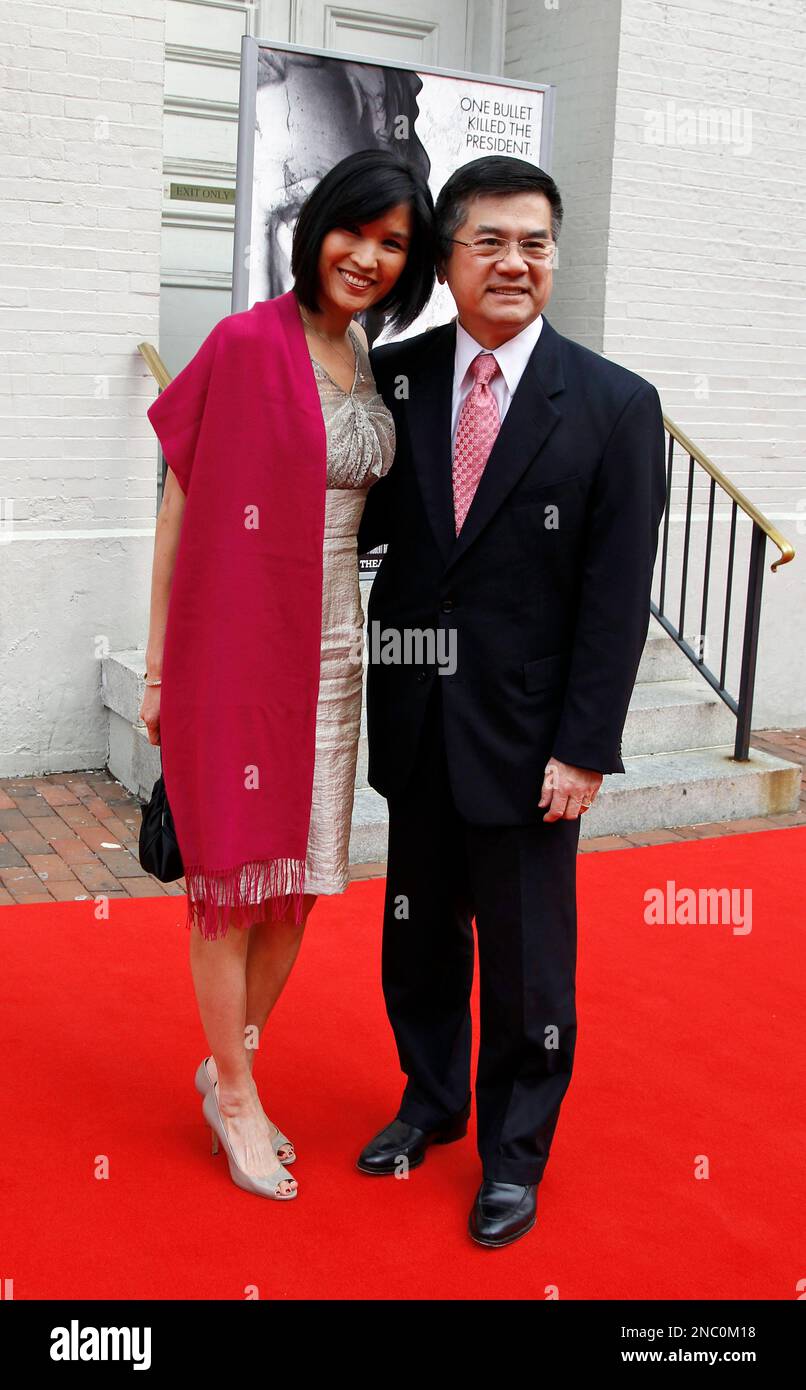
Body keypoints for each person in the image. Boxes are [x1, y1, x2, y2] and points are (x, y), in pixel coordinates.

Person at [355, 155, 667, 1246]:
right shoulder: (391, 376)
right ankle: (430, 1105)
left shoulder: (615, 405)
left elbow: (614, 595)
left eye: (532, 241)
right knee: (417, 941)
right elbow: (349, 525)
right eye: (487, 240)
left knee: (530, 960)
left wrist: (582, 746)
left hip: (533, 741)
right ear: (445, 258)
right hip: (415, 724)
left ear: (553, 257)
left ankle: (513, 1155)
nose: (512, 261)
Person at [140, 150, 435, 1201]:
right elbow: (177, 507)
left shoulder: (366, 353)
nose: (368, 255)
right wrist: (161, 668)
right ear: (318, 227)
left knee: (299, 886)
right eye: (355, 229)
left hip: (334, 651)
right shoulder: (240, 343)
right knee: (227, 888)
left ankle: (234, 1061)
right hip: (236, 642)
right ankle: (234, 1093)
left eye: (394, 242)